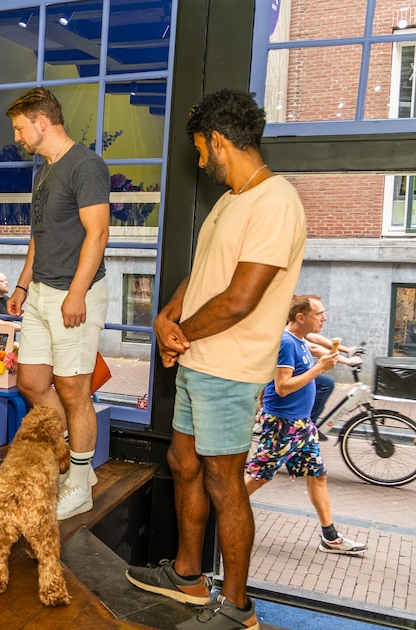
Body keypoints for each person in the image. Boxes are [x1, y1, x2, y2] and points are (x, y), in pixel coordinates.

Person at [125, 89, 306, 630]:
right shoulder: (232, 200)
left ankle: (237, 607)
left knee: (225, 481)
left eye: (203, 150)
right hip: (199, 358)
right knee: (184, 463)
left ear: (220, 141)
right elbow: (204, 275)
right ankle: (186, 575)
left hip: (230, 367)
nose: (201, 161)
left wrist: (178, 333)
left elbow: (240, 298)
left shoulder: (276, 202)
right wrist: (167, 315)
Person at [3, 87, 110, 521]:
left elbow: (97, 235)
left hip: (74, 293)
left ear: (41, 122)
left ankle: (80, 483)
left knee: (73, 390)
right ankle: (77, 462)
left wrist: (78, 293)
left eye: (20, 128)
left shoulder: (86, 166)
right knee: (30, 382)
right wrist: (22, 286)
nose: (17, 137)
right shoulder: (45, 171)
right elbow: (39, 237)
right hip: (42, 292)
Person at [244, 295, 369, 556]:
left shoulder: (299, 340)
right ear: (301, 317)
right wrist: (319, 369)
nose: (324, 318)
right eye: (319, 314)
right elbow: (282, 387)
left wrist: (336, 359)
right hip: (283, 424)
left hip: (301, 425)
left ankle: (330, 537)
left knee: (318, 475)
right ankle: (214, 518)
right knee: (257, 478)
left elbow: (313, 354)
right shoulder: (286, 343)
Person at [302, 329, 363, 441]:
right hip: (293, 376)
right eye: (318, 314)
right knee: (326, 384)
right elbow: (312, 348)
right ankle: (308, 426)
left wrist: (347, 350)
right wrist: (347, 361)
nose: (323, 318)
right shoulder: (290, 333)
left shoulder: (303, 332)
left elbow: (313, 338)